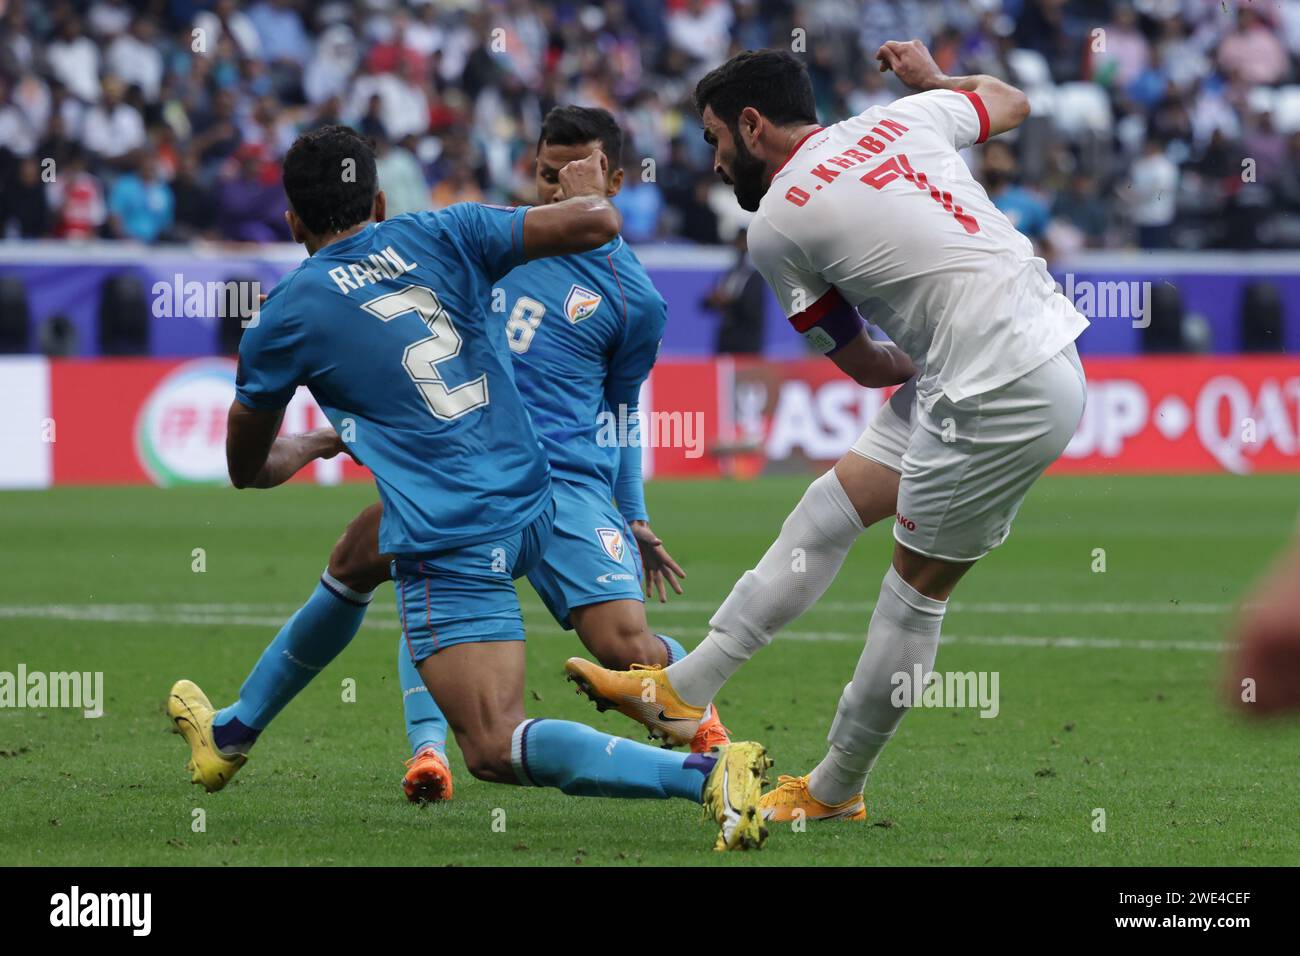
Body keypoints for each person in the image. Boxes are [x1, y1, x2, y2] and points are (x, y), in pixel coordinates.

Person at [166, 124, 770, 852]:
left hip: (454, 533)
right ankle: (230, 733)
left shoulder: (284, 316)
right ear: (381, 200)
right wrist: (587, 198)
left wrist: (314, 440)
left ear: (292, 221)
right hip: (535, 500)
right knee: (359, 551)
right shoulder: (445, 229)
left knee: (492, 742)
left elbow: (247, 469)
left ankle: (704, 775)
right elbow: (598, 223)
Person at [565, 41, 1088, 824]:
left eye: (713, 139)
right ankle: (682, 689)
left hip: (993, 389)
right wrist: (938, 80)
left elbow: (870, 366)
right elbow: (1015, 101)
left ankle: (835, 789)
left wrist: (927, 342)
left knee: (913, 596)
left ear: (751, 125)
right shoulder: (904, 116)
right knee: (829, 509)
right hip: (1014, 352)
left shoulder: (777, 222)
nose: (711, 161)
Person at [319, 106, 730, 804]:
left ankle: (706, 729)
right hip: (472, 468)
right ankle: (428, 751)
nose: (554, 188)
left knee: (624, 649)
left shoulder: (637, 301)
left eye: (576, 173)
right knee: (433, 577)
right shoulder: (490, 243)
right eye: (545, 173)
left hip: (568, 485)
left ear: (615, 178)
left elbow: (622, 411)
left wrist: (632, 513)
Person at [702, 228, 766, 355]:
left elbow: (752, 307)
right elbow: (708, 302)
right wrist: (712, 300)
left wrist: (728, 301)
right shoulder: (729, 273)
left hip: (747, 343)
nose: (740, 248)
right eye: (738, 243)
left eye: (743, 243)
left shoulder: (755, 276)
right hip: (726, 341)